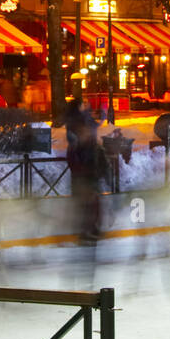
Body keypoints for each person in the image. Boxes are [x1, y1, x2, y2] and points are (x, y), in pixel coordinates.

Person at [65, 96, 104, 241]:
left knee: (90, 201)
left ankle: (91, 228)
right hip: (84, 168)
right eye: (83, 104)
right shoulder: (78, 124)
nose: (86, 106)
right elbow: (88, 132)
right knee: (87, 202)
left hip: (86, 167)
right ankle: (87, 230)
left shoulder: (78, 121)